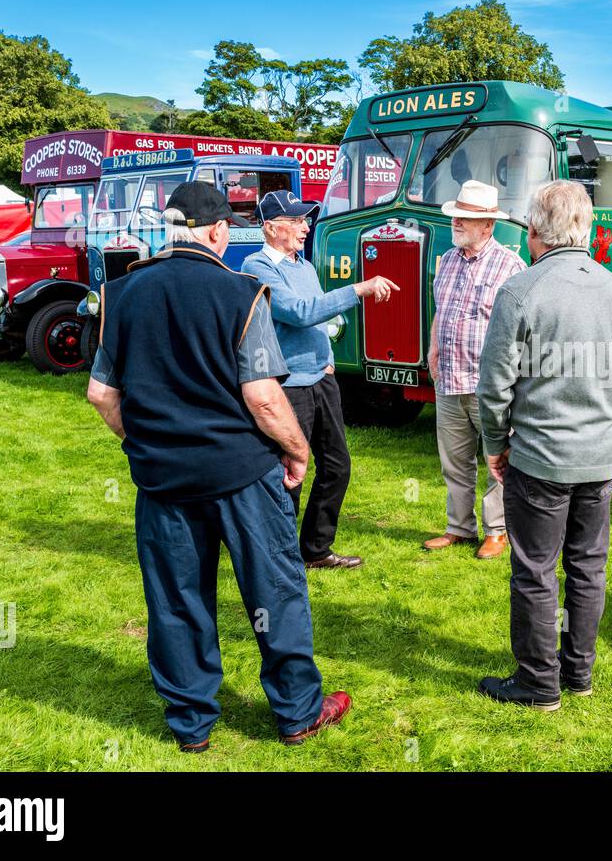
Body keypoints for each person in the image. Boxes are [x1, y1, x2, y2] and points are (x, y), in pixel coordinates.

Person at [86, 181, 350, 751]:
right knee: (273, 592)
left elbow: (101, 396)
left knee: (177, 599)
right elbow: (261, 396)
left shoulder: (121, 292)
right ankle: (298, 711)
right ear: (219, 231)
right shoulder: (241, 292)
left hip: (163, 478)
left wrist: (147, 440)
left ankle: (191, 724)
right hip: (241, 473)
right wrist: (298, 451)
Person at [475, 180, 612, 710]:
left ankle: (539, 683)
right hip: (597, 454)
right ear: (585, 229)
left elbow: (494, 385)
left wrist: (494, 444)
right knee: (588, 566)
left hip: (541, 456)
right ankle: (577, 674)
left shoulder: (520, 291)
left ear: (533, 231)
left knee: (536, 570)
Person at [241, 190, 399, 570]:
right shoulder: (257, 266)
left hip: (320, 380)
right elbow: (298, 312)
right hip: (288, 385)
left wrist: (327, 360)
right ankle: (279, 556)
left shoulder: (304, 266)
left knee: (337, 465)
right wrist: (358, 289)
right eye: (295, 221)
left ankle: (315, 550)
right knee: (290, 469)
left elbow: (318, 319)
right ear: (270, 228)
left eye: (304, 220)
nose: (305, 227)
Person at [422, 179, 524, 560]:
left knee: (498, 462)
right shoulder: (447, 261)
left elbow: (518, 331)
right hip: (448, 379)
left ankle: (498, 531)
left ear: (488, 225)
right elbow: (441, 311)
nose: (457, 223)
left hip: (488, 386)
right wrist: (433, 345)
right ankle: (459, 528)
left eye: (465, 218)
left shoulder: (510, 265)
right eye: (456, 217)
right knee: (454, 462)